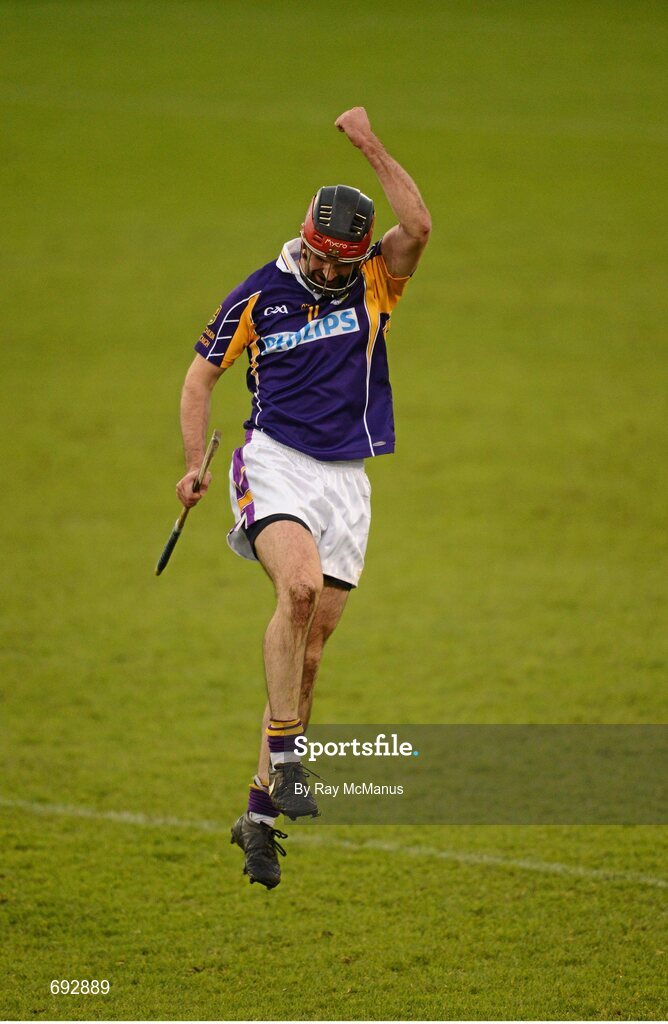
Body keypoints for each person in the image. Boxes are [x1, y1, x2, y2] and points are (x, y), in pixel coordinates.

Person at [176, 106, 431, 889]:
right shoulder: (259, 294)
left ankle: (256, 814)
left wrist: (369, 143)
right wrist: (193, 462)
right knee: (297, 588)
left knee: (310, 651)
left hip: (347, 483)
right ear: (304, 238)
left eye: (339, 262)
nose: (327, 271)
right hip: (275, 461)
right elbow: (202, 375)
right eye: (319, 257)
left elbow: (416, 225)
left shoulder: (377, 283)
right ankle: (288, 758)